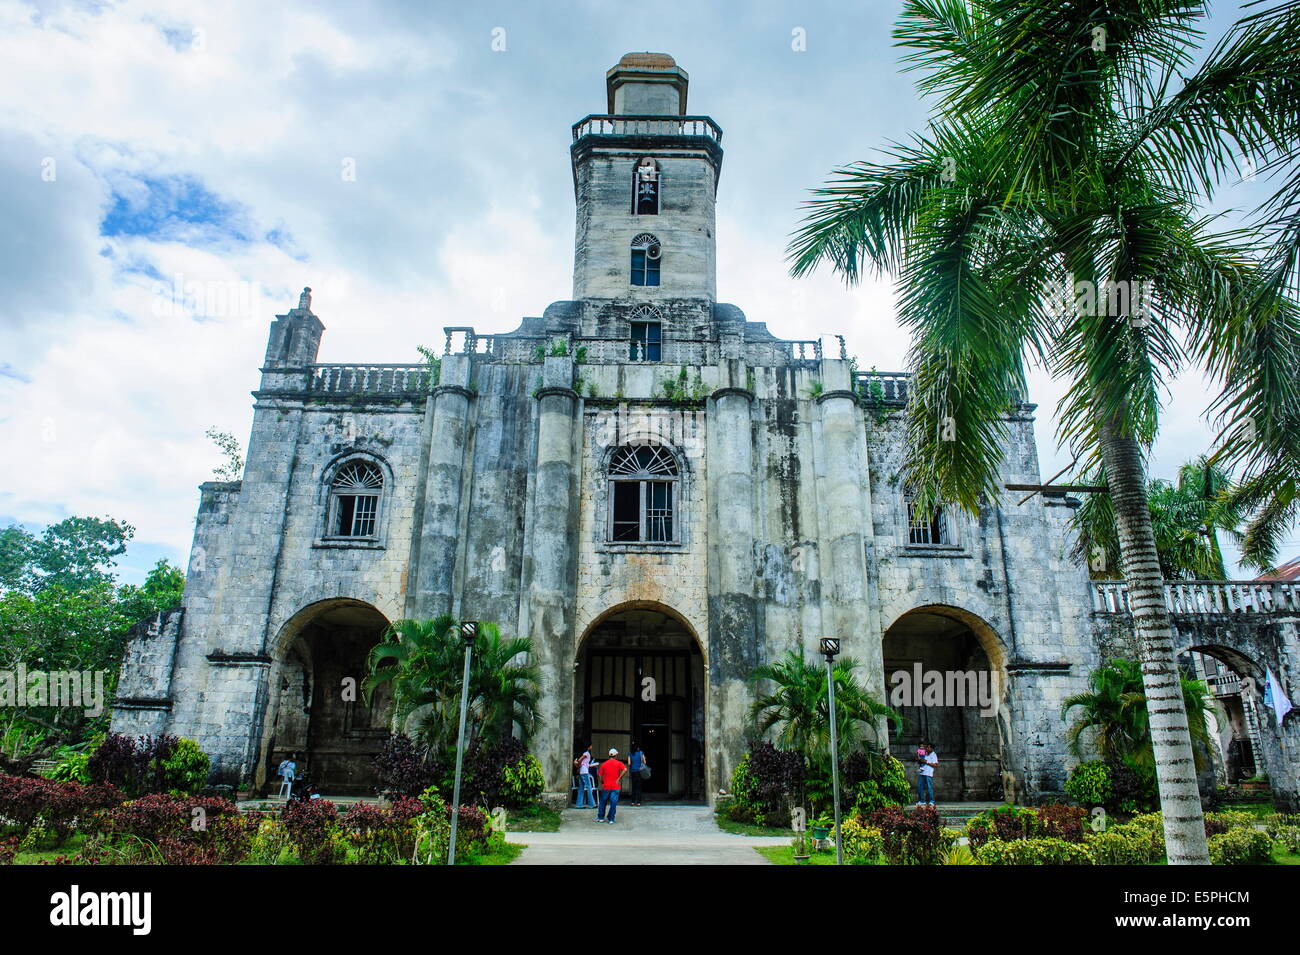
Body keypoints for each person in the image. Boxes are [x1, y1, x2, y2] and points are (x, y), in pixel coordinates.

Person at [596, 747, 627, 824]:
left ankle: (601, 817)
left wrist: (602, 782)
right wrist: (619, 778)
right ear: (616, 755)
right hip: (615, 786)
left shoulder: (604, 764)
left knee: (603, 802)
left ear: (609, 755)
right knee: (613, 803)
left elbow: (599, 775)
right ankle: (611, 819)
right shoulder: (618, 763)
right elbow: (625, 769)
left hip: (606, 786)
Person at [916, 742, 938, 807]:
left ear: (932, 748)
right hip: (922, 773)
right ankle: (922, 801)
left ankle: (932, 801)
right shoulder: (925, 754)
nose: (927, 748)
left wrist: (927, 762)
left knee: (929, 788)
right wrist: (919, 759)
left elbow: (935, 764)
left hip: (928, 774)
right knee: (920, 787)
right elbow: (920, 761)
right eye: (927, 747)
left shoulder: (934, 755)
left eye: (929, 747)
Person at [574, 743, 596, 808]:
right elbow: (580, 760)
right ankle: (592, 804)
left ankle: (579, 804)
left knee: (581, 788)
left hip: (582, 771)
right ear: (589, 747)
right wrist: (578, 762)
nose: (592, 747)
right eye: (591, 745)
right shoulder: (586, 753)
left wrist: (578, 765)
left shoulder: (585, 753)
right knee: (589, 787)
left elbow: (581, 762)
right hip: (584, 772)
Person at [628, 742, 647, 807]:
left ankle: (632, 802)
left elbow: (629, 763)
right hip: (639, 772)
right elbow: (644, 762)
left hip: (633, 772)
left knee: (634, 787)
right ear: (638, 748)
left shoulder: (630, 753)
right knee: (639, 787)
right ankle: (638, 802)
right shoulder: (641, 753)